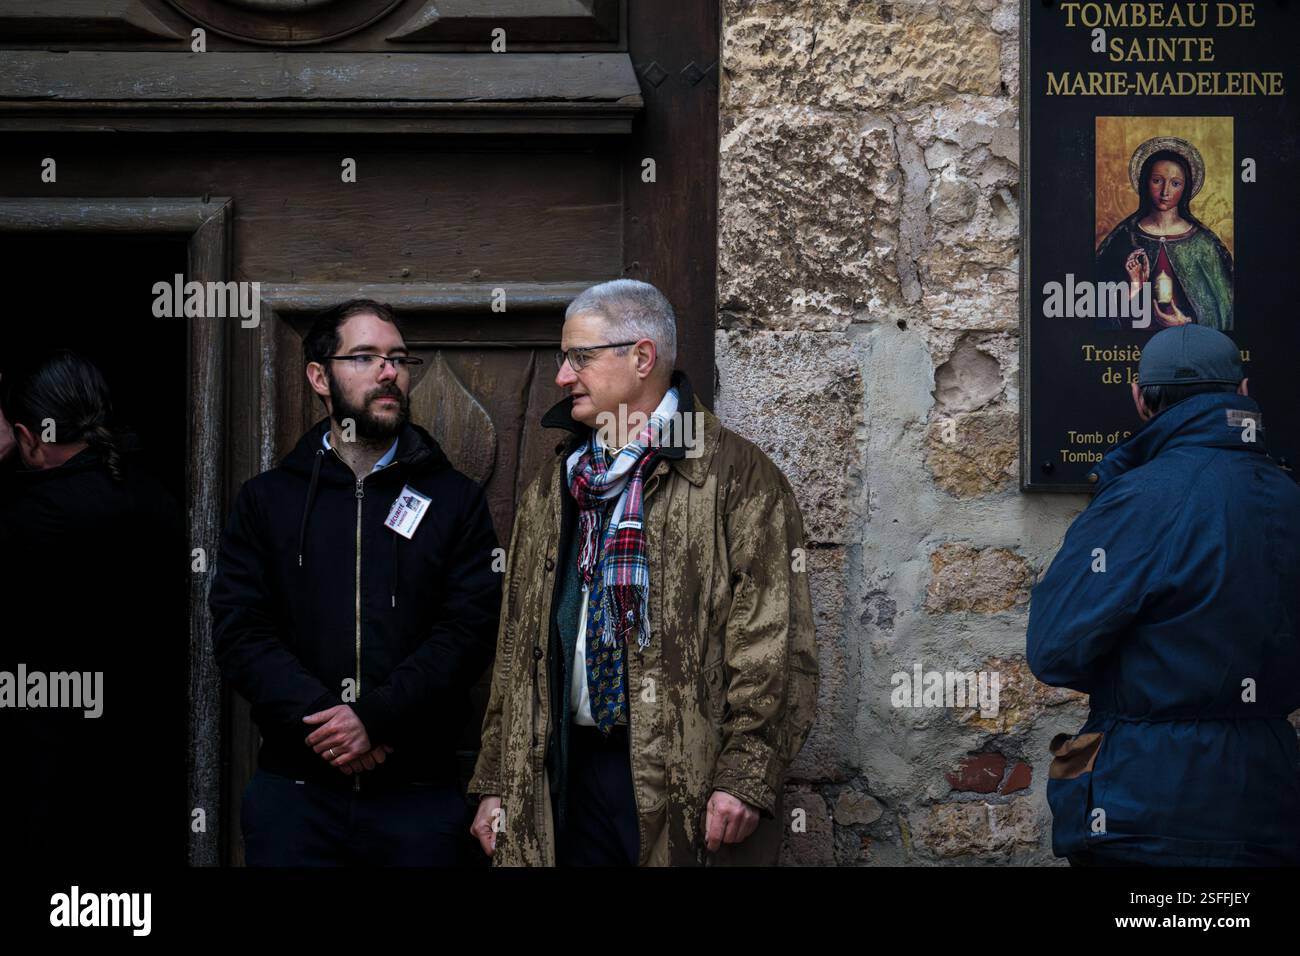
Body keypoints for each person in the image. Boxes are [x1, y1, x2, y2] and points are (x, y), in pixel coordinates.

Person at [466, 279, 818, 866]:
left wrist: (745, 778)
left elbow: (774, 645)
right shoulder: (554, 487)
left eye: (579, 357)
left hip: (686, 783)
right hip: (564, 775)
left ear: (642, 357)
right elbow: (516, 649)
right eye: (563, 359)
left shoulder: (736, 477)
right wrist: (497, 781)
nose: (561, 376)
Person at [209, 299, 501, 866]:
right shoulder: (267, 501)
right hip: (294, 797)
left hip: (419, 799)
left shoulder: (454, 500)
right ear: (319, 376)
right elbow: (240, 632)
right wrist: (331, 724)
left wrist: (375, 717)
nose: (388, 371)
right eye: (364, 356)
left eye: (397, 358)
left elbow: (468, 631)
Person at [1028, 324, 1300, 865]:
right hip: (1271, 801)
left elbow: (1054, 650)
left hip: (1146, 804)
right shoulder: (1289, 497)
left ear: (1139, 397)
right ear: (1243, 393)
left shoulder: (1139, 500)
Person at [0, 351, 186, 867]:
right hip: (147, 754)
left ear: (29, 436)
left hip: (51, 765)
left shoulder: (30, 517)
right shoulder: (158, 496)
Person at [1095, 136, 1234, 331]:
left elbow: (1224, 310)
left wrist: (1186, 323)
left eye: (1175, 183)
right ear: (1145, 182)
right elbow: (1098, 312)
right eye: (1157, 180)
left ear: (1185, 188)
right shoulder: (1125, 239)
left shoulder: (1203, 244)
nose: (1165, 191)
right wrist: (1134, 288)